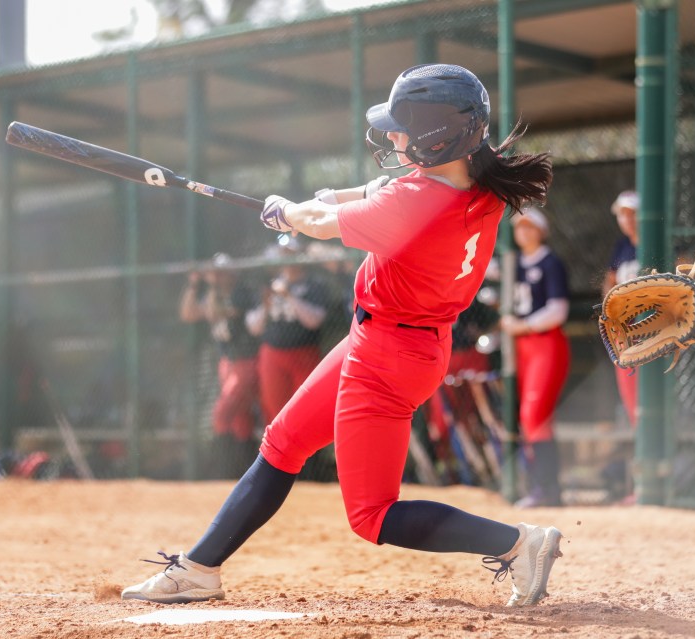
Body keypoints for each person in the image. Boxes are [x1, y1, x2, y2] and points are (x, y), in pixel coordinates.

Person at [122, 63, 560, 607]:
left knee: (372, 515)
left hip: (387, 356)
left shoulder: (414, 203)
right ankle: (199, 567)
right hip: (393, 343)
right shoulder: (476, 183)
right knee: (283, 442)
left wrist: (291, 213)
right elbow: (374, 192)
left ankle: (518, 543)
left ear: (436, 133)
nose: (393, 136)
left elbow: (329, 223)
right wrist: (322, 200)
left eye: (402, 127)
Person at [499, 208, 571, 508]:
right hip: (521, 347)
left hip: (544, 343)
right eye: (520, 227)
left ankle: (546, 488)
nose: (524, 232)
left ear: (542, 231)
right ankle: (545, 488)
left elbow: (558, 311)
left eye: (530, 227)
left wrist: (523, 325)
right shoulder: (512, 264)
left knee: (534, 415)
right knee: (529, 419)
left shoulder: (551, 263)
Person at [179, 253, 262, 477]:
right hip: (227, 361)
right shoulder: (213, 294)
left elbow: (216, 312)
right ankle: (244, 472)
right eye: (214, 273)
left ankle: (222, 471)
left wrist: (212, 287)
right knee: (239, 419)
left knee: (221, 414)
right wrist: (194, 285)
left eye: (221, 273)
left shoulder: (241, 294)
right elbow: (188, 313)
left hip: (246, 361)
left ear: (232, 274)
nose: (217, 277)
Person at [245, 236, 330, 423]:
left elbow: (314, 321)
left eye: (291, 254)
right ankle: (277, 451)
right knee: (275, 412)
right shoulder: (268, 286)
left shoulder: (314, 284)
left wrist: (289, 295)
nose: (287, 259)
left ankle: (310, 453)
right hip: (272, 354)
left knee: (306, 412)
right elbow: (254, 327)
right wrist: (266, 304)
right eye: (283, 254)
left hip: (304, 353)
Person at [603, 190, 640, 428]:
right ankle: (642, 441)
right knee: (630, 389)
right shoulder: (622, 247)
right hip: (626, 329)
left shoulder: (664, 239)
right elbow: (610, 281)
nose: (626, 219)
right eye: (622, 214)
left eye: (632, 214)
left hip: (657, 328)